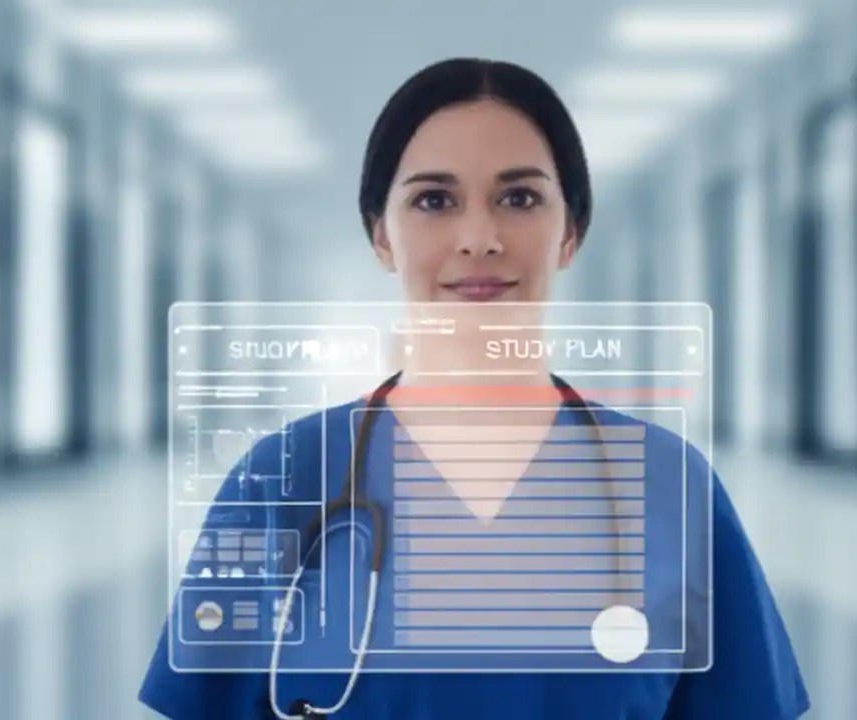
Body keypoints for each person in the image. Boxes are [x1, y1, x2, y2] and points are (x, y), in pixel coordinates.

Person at [139, 57, 810, 719]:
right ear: (381, 236)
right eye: (434, 200)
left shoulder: (672, 488)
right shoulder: (281, 480)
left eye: (519, 198)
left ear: (570, 231)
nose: (480, 238)